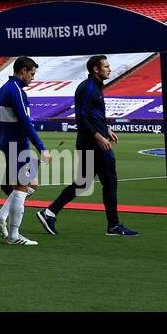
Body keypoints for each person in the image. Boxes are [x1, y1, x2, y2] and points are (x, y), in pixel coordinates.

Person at [37, 55, 139, 237]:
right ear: (96, 70)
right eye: (106, 66)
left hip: (89, 141)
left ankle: (49, 212)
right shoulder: (89, 88)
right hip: (94, 144)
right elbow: (81, 117)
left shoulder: (94, 87)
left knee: (82, 183)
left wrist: (106, 130)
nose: (109, 69)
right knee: (110, 182)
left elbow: (94, 115)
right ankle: (113, 226)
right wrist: (99, 136)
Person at [0, 56, 50, 246]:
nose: (33, 78)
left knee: (33, 184)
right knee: (22, 187)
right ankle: (14, 235)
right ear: (22, 71)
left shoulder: (6, 88)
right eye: (31, 74)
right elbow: (25, 122)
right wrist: (42, 148)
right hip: (17, 145)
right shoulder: (16, 91)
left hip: (11, 143)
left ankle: (1, 217)